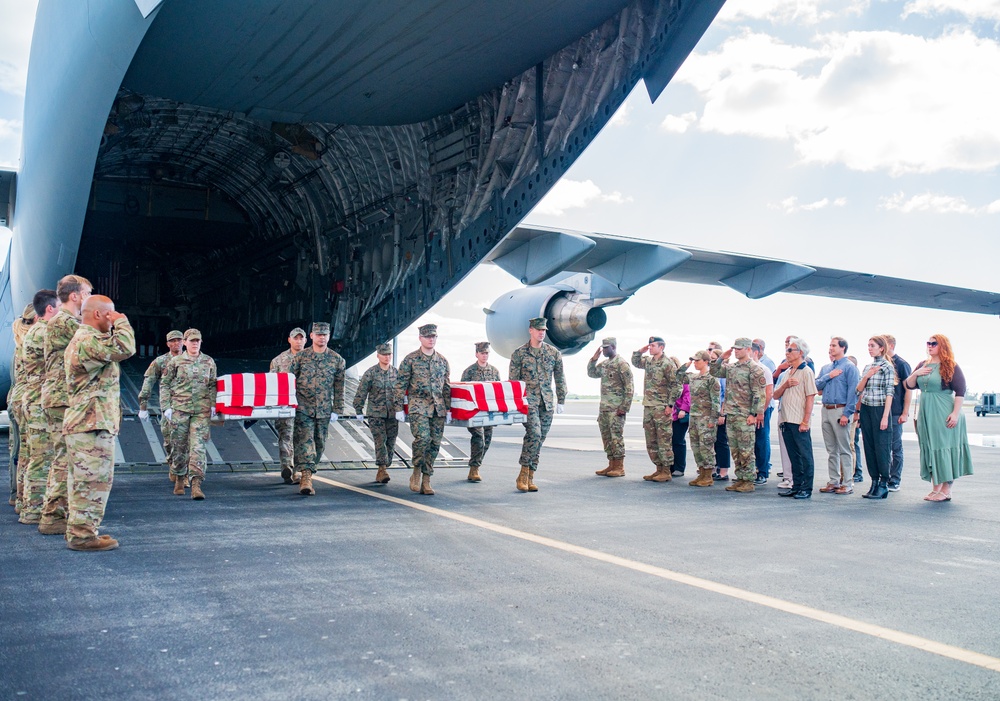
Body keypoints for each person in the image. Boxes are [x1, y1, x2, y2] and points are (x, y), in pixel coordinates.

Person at [62, 295, 136, 551]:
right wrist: (123, 323)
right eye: (109, 315)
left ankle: (80, 531)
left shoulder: (86, 339)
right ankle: (83, 537)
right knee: (94, 481)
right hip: (90, 424)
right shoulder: (88, 339)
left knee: (82, 482)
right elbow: (125, 349)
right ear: (97, 315)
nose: (112, 319)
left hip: (87, 422)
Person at [38, 275, 92, 534]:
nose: (88, 298)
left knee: (65, 457)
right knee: (66, 458)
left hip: (61, 396)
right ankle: (53, 516)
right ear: (75, 296)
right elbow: (95, 342)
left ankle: (58, 513)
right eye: (87, 293)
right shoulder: (65, 321)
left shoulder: (65, 321)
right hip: (63, 397)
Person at [904, 335, 973, 502]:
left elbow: (960, 391)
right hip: (926, 411)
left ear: (942, 346)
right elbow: (908, 384)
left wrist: (955, 413)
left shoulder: (951, 365)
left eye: (933, 343)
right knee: (929, 446)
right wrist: (917, 373)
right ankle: (936, 487)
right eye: (928, 343)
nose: (929, 346)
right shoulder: (922, 364)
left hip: (944, 410)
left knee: (944, 448)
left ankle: (946, 489)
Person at [509, 318, 567, 492]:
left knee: (540, 439)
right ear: (530, 330)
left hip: (547, 402)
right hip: (528, 401)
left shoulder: (553, 353)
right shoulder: (519, 354)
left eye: (544, 330)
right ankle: (523, 473)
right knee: (534, 433)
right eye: (538, 329)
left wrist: (561, 399)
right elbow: (514, 381)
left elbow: (559, 377)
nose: (542, 332)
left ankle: (531, 476)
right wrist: (515, 402)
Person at [288, 322, 345, 496]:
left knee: (319, 443)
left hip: (324, 409)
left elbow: (339, 386)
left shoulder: (337, 360)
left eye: (324, 334)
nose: (321, 337)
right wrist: (290, 403)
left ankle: (309, 470)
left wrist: (338, 409)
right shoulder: (300, 358)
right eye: (318, 334)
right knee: (305, 441)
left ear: (328, 336)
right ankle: (306, 478)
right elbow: (290, 381)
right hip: (303, 407)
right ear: (311, 336)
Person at [160, 329, 218, 500]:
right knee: (178, 447)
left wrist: (214, 404)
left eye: (197, 341)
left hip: (201, 410)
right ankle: (179, 476)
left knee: (198, 447)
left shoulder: (208, 361)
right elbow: (165, 384)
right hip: (180, 410)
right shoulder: (176, 362)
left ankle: (196, 484)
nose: (195, 343)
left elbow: (213, 384)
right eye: (191, 341)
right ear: (185, 342)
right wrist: (166, 407)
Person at [395, 324, 451, 495]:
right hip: (418, 405)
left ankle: (427, 479)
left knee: (435, 443)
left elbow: (446, 386)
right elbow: (400, 385)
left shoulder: (442, 360)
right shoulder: (410, 359)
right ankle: (417, 470)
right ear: (420, 338)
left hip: (438, 408)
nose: (431, 339)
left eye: (433, 336)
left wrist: (448, 409)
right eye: (427, 336)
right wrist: (398, 407)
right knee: (423, 439)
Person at [18, 291, 57, 525]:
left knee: (36, 457)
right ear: (50, 310)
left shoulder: (35, 332)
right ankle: (33, 510)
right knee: (42, 459)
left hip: (34, 399)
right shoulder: (43, 332)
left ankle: (28, 505)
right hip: (39, 402)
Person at [710, 338, 768, 493]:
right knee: (735, 449)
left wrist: (753, 414)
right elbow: (714, 371)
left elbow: (759, 394)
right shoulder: (732, 368)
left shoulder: (754, 369)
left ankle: (748, 480)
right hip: (732, 414)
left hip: (745, 416)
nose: (736, 351)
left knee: (746, 450)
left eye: (739, 349)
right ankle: (740, 478)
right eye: (734, 349)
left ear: (748, 349)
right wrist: (722, 357)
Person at [630, 336, 680, 482]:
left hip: (661, 407)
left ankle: (666, 471)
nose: (650, 347)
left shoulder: (668, 363)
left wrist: (670, 405)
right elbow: (635, 362)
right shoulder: (649, 362)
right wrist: (640, 351)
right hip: (649, 406)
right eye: (649, 345)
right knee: (651, 440)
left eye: (653, 345)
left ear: (661, 347)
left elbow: (676, 385)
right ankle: (658, 468)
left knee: (663, 439)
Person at [773, 337, 818, 499]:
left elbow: (810, 397)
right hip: (786, 419)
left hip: (799, 420)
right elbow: (775, 395)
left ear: (800, 353)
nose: (787, 353)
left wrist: (806, 420)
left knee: (805, 455)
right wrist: (785, 385)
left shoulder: (806, 372)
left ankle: (807, 488)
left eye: (790, 350)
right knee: (793, 455)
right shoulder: (786, 373)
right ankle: (796, 485)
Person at [815, 337, 860, 495]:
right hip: (826, 409)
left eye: (834, 345)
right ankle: (833, 481)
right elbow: (816, 385)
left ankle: (847, 482)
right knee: (831, 449)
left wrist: (847, 414)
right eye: (830, 345)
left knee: (844, 448)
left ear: (843, 348)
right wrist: (830, 376)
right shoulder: (826, 368)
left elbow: (853, 392)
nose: (831, 348)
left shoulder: (849, 367)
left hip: (840, 410)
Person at [138, 329, 184, 479]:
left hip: (188, 406)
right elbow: (148, 381)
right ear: (168, 344)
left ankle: (182, 474)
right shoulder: (161, 362)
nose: (176, 343)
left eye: (179, 340)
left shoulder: (192, 360)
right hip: (169, 407)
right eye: (173, 341)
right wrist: (143, 406)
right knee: (169, 440)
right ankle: (172, 463)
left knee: (187, 441)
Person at [354, 342, 402, 485]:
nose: (387, 357)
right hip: (376, 413)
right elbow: (361, 391)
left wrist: (403, 410)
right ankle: (382, 469)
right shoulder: (371, 373)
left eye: (389, 354)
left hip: (392, 414)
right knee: (380, 441)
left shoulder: (396, 373)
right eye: (384, 354)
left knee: (391, 441)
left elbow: (402, 393)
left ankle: (385, 466)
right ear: (378, 356)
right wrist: (358, 409)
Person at [856, 335, 896, 500]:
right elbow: (858, 389)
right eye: (868, 345)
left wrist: (885, 416)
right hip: (866, 408)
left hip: (880, 409)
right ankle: (873, 481)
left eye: (872, 345)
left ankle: (883, 483)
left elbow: (889, 391)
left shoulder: (887, 367)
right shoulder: (867, 367)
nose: (870, 348)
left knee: (882, 448)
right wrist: (867, 375)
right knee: (869, 447)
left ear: (881, 348)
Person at [588, 337, 634, 477]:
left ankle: (619, 467)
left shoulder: (622, 364)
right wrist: (593, 359)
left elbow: (629, 387)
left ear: (613, 347)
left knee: (616, 438)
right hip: (605, 408)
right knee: (607, 438)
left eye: (606, 348)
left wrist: (624, 407)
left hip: (616, 409)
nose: (604, 350)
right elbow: (592, 373)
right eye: (603, 347)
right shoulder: (604, 364)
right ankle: (611, 464)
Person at [675, 350, 720, 487]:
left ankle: (708, 475)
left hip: (706, 418)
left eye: (697, 361)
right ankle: (701, 473)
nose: (695, 363)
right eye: (694, 360)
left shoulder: (712, 378)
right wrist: (687, 364)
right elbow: (678, 375)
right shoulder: (693, 377)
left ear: (706, 362)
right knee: (696, 447)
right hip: (694, 418)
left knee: (706, 447)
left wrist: (713, 420)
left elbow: (715, 401)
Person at [269, 327, 306, 484]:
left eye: (300, 338)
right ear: (289, 340)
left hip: (305, 406)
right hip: (285, 406)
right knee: (286, 436)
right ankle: (288, 468)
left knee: (302, 438)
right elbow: (270, 384)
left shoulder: (311, 360)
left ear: (305, 340)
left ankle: (296, 470)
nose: (298, 341)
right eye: (295, 338)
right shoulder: (278, 361)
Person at [460, 341, 501, 482]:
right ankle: (474, 468)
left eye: (487, 353)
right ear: (476, 354)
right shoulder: (469, 371)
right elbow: (463, 392)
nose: (485, 355)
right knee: (479, 437)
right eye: (482, 353)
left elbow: (498, 392)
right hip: (473, 412)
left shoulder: (494, 371)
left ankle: (476, 465)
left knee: (487, 440)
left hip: (488, 412)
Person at [8, 303, 35, 510]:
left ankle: (16, 495)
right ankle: (25, 499)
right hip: (28, 400)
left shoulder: (20, 344)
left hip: (16, 399)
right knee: (29, 451)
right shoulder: (33, 342)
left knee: (18, 450)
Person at [883, 334, 912, 492]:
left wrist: (905, 412)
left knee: (896, 447)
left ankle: (895, 480)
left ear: (891, 346)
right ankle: (884, 478)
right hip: (881, 412)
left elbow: (908, 390)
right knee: (883, 447)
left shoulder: (901, 364)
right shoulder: (881, 363)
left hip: (895, 412)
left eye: (884, 344)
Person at [750, 341, 775, 485]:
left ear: (755, 352)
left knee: (761, 440)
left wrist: (760, 412)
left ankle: (763, 471)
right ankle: (752, 470)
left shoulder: (764, 368)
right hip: (750, 411)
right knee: (750, 442)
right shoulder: (748, 369)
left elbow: (769, 392)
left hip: (763, 409)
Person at [847, 355, 865, 483]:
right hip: (851, 413)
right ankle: (856, 470)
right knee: (853, 443)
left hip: (854, 414)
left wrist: (857, 414)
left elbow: (859, 396)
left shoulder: (857, 378)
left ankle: (857, 472)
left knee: (852, 444)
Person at [671, 371, 690, 477]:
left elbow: (687, 395)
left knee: (678, 441)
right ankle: (670, 467)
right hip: (669, 415)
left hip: (679, 415)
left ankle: (679, 467)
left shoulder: (683, 379)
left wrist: (684, 409)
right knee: (669, 442)